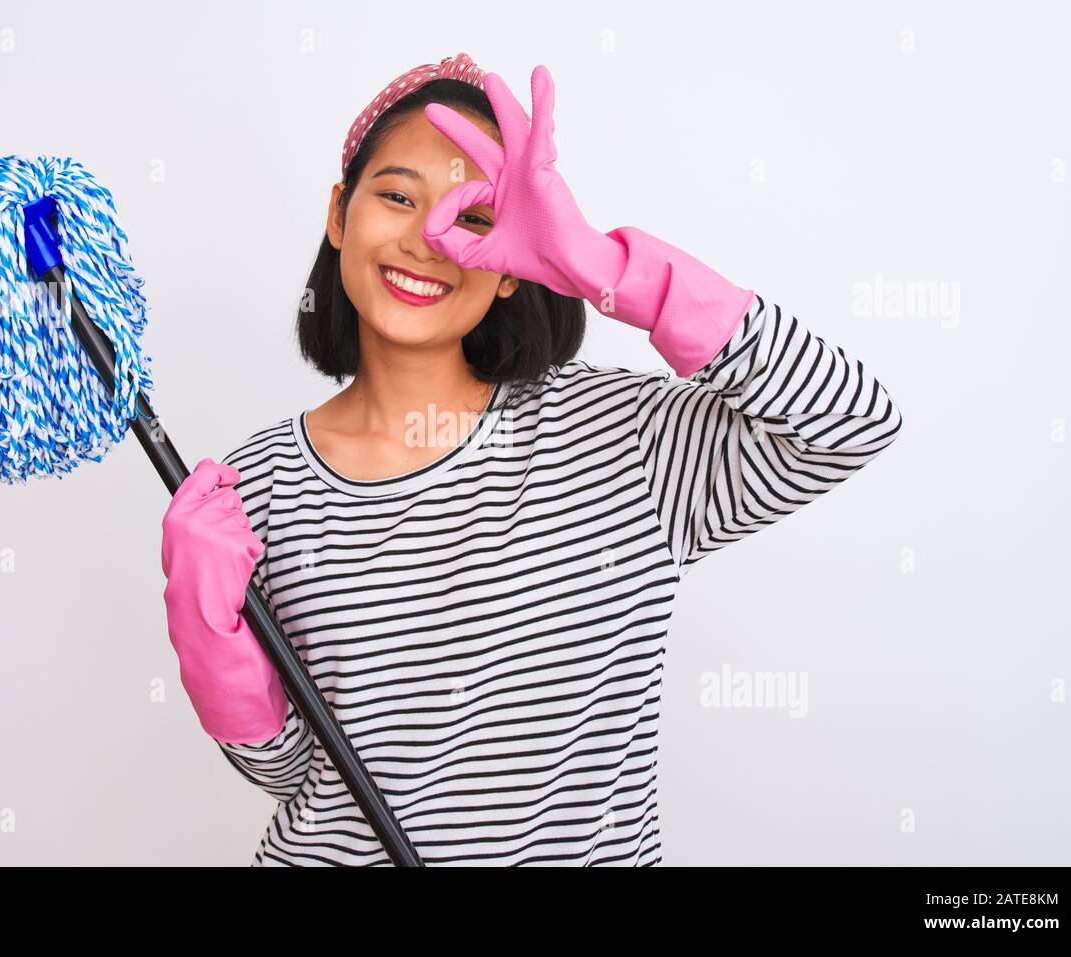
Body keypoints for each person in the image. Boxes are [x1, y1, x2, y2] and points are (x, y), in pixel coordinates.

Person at [159, 52, 903, 866]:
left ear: (515, 264)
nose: (425, 239)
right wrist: (211, 642)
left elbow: (850, 420)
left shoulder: (627, 440)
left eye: (473, 219)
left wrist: (608, 268)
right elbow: (291, 773)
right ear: (340, 214)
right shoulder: (251, 488)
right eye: (397, 196)